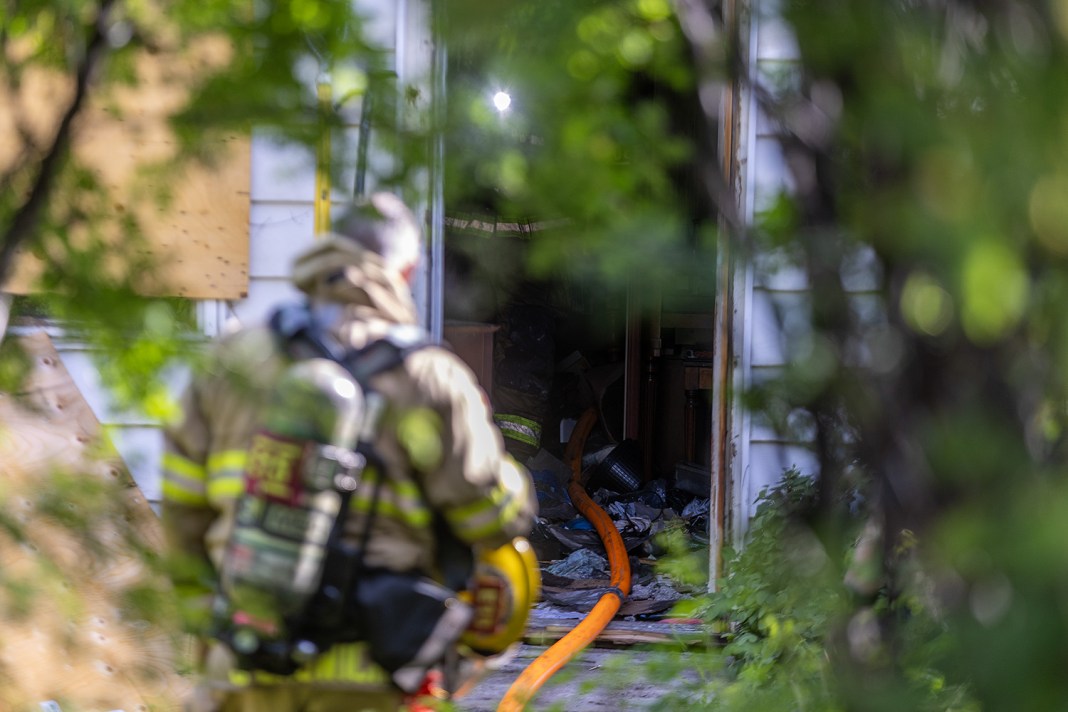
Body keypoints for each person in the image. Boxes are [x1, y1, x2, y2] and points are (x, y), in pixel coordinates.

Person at [161, 192, 537, 712]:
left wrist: (212, 628)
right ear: (407, 271)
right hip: (372, 676)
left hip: (247, 667)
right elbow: (490, 520)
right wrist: (511, 477)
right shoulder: (431, 376)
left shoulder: (231, 362)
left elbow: (182, 516)